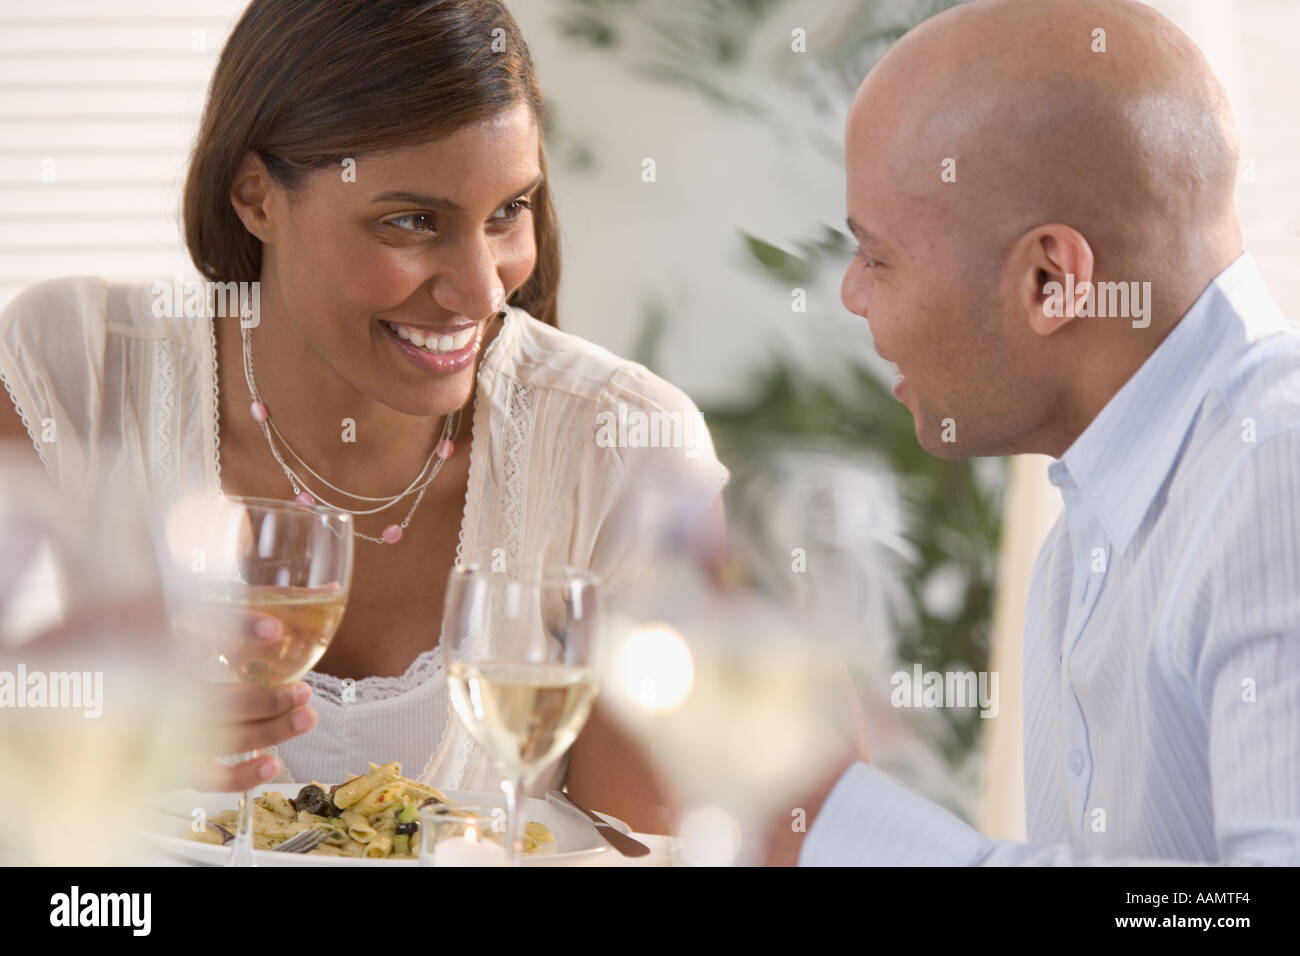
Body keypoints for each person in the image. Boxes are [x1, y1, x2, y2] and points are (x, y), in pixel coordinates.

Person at [0, 0, 726, 834]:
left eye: (508, 213)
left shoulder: (625, 449)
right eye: (412, 221)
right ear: (255, 196)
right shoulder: (71, 373)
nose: (484, 291)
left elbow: (642, 850)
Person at [792, 0, 1300, 864]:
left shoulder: (1274, 473)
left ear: (1050, 279)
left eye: (877, 257)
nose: (851, 295)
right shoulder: (1086, 536)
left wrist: (836, 823)